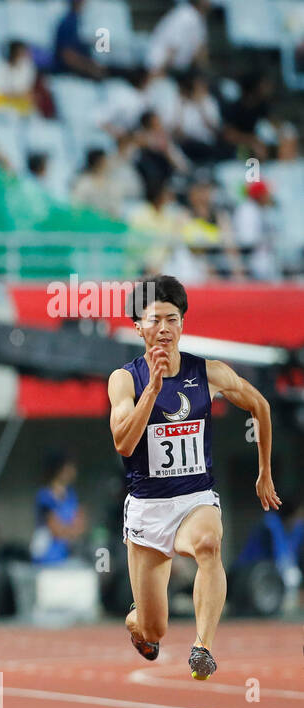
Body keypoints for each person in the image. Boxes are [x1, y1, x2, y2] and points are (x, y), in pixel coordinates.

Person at [108, 275, 280, 679]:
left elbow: (261, 406)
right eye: (154, 320)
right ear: (138, 327)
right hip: (148, 509)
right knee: (154, 628)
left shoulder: (210, 373)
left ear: (183, 324)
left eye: (172, 319)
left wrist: (264, 472)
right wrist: (151, 390)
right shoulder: (124, 380)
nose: (164, 329)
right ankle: (137, 623)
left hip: (195, 498)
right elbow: (124, 444)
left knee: (208, 544)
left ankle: (203, 647)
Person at [30, 452, 85, 565]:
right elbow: (55, 528)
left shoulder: (72, 495)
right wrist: (70, 531)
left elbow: (80, 524)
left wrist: (70, 531)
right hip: (47, 554)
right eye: (69, 467)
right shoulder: (44, 496)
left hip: (67, 553)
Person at [146, 0, 211, 77]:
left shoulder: (198, 16)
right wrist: (157, 75)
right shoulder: (186, 16)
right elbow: (171, 49)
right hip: (160, 67)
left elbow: (200, 51)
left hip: (176, 69)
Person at [52, 0, 105, 80]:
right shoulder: (68, 23)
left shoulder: (79, 22)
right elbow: (67, 56)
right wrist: (91, 68)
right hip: (67, 77)